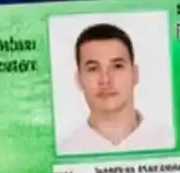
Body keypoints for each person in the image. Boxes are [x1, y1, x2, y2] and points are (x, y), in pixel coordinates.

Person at [60, 23, 174, 154]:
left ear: (135, 74)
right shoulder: (66, 150)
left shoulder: (169, 142)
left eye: (117, 66)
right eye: (93, 69)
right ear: (79, 79)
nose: (105, 80)